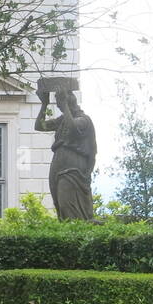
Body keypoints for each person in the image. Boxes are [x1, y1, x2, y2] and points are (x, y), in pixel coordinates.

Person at [34, 86, 97, 221]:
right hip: (58, 166)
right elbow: (40, 126)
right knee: (60, 205)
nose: (59, 106)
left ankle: (75, 236)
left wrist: (65, 106)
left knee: (67, 204)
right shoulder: (62, 120)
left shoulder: (84, 120)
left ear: (68, 102)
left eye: (60, 104)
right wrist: (44, 104)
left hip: (73, 169)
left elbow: (73, 129)